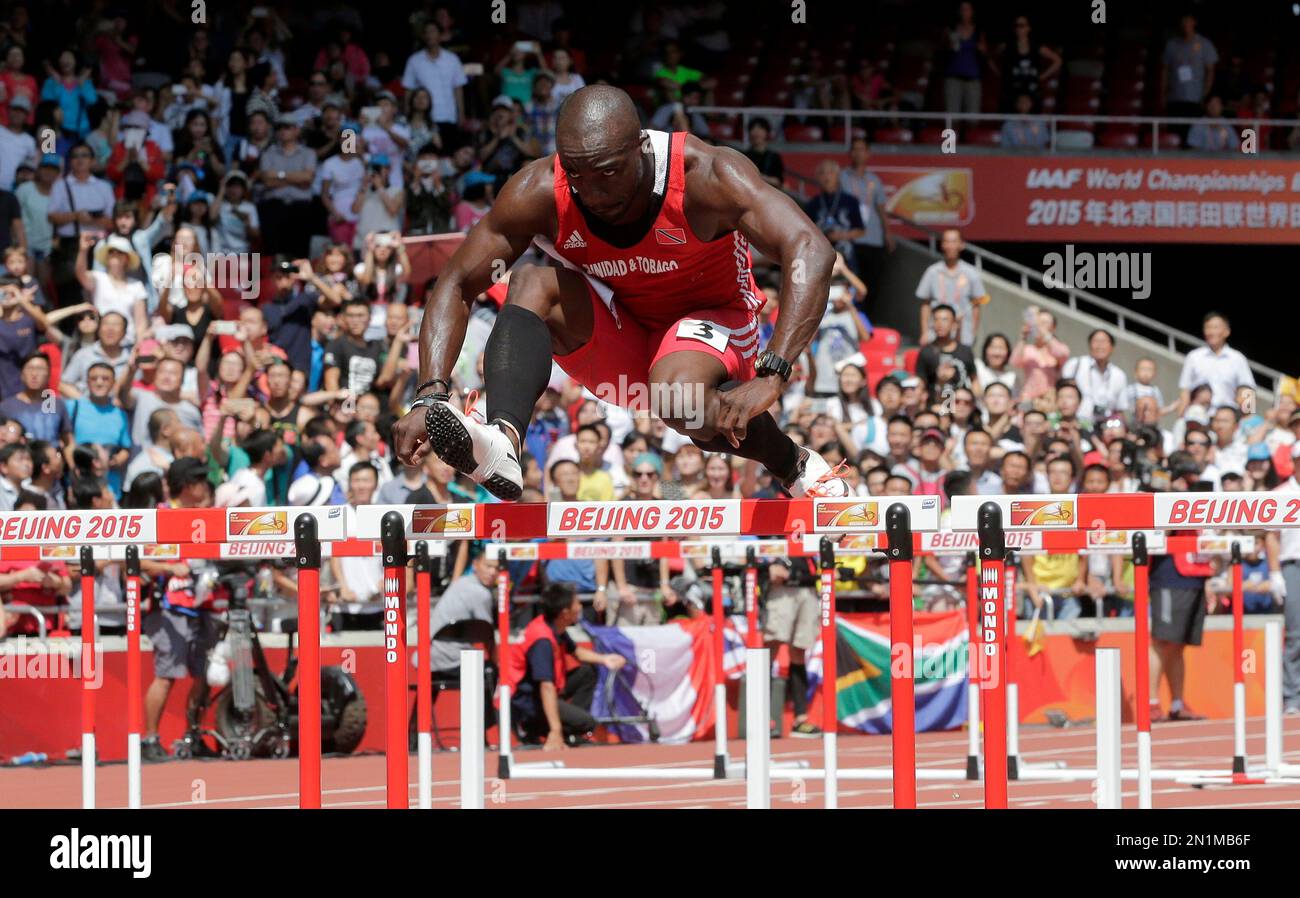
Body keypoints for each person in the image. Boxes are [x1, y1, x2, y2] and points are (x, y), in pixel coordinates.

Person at [391, 85, 852, 501]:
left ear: (640, 147)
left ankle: (794, 465)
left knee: (678, 397)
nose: (590, 192)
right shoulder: (538, 191)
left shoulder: (707, 175)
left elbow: (810, 249)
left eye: (607, 173)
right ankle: (503, 440)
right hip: (625, 339)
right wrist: (428, 395)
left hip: (711, 324)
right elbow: (455, 282)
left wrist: (773, 374)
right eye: (575, 174)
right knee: (531, 282)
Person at [140, 458, 216, 761]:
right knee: (167, 674)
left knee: (203, 674)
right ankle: (149, 739)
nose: (206, 487)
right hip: (169, 608)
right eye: (200, 481)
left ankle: (191, 735)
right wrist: (169, 567)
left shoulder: (205, 516)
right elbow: (135, 559)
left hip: (203, 603)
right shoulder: (160, 515)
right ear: (187, 485)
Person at [504, 581, 626, 750]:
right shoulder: (542, 641)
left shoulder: (553, 626)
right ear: (565, 612)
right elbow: (545, 686)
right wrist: (556, 730)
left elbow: (577, 652)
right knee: (587, 723)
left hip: (542, 692)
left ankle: (568, 723)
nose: (580, 606)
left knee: (587, 671)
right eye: (576, 603)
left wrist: (605, 659)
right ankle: (551, 728)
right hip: (524, 703)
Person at [762, 557, 822, 737]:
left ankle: (800, 720)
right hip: (781, 588)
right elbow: (752, 539)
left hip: (808, 583)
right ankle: (762, 718)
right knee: (770, 649)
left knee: (799, 651)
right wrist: (768, 566)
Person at [1265, 444, 1300, 714]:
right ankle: (1291, 697)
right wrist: (1275, 572)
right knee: (1296, 635)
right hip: (1293, 565)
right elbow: (1271, 536)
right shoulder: (1280, 494)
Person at [914, 228, 988, 347]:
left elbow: (976, 306)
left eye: (954, 241)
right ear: (942, 244)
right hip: (936, 332)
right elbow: (925, 304)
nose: (950, 246)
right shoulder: (933, 271)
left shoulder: (971, 273)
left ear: (961, 244)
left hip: (963, 334)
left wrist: (973, 332)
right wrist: (924, 332)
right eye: (946, 241)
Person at [838, 137, 894, 293]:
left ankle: (867, 316)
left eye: (862, 149)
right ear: (850, 153)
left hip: (873, 239)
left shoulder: (874, 180)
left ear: (868, 154)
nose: (858, 153)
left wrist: (888, 233)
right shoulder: (842, 177)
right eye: (855, 149)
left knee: (872, 282)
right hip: (850, 238)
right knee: (851, 281)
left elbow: (881, 209)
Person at [428, 553, 499, 673]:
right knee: (490, 672)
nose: (492, 572)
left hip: (429, 655)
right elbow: (488, 636)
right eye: (488, 566)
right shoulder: (481, 593)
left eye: (497, 568)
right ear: (475, 565)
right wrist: (498, 665)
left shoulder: (461, 582)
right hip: (453, 659)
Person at [1177, 312, 1255, 414]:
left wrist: (1246, 419)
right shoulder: (1193, 357)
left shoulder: (1238, 359)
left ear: (1227, 331)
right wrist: (1181, 417)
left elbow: (1248, 389)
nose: (1211, 332)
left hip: (1227, 417)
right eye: (1207, 328)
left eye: (1215, 327)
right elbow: (1185, 390)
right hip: (1198, 416)